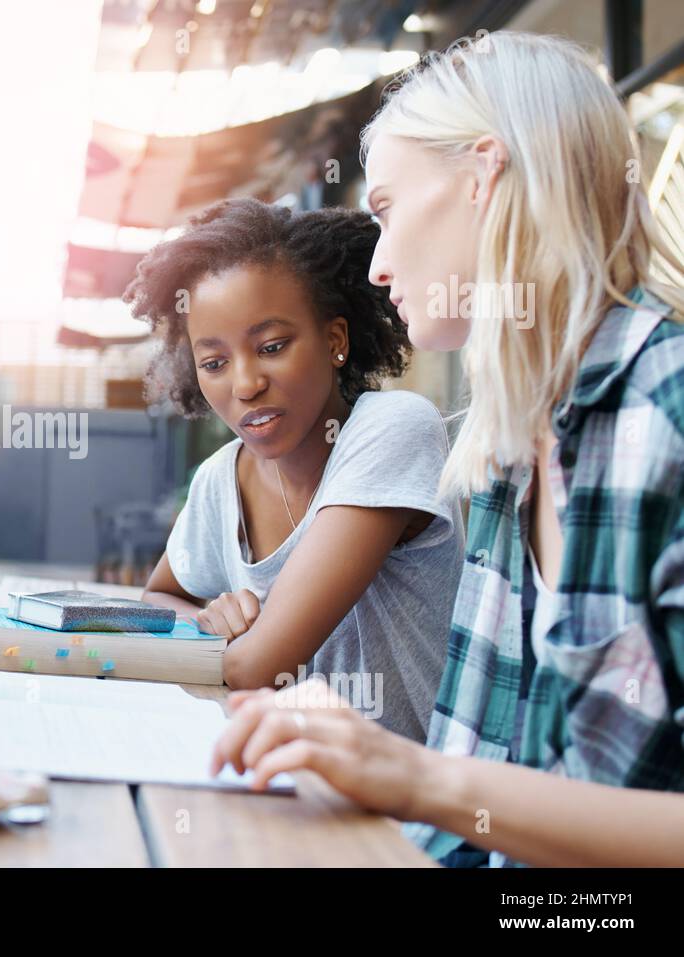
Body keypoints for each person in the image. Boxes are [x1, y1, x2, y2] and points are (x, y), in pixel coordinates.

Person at [212, 31, 684, 866]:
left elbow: (457, 788)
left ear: (483, 176)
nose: (381, 265)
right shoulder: (506, 445)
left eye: (388, 211)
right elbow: (489, 803)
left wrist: (412, 775)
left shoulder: (669, 414)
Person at [132, 199, 463, 741]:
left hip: (405, 809)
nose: (244, 384)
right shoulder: (221, 479)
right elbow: (160, 597)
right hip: (282, 783)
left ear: (335, 341)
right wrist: (210, 618)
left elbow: (257, 667)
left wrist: (235, 647)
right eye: (214, 362)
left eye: (272, 346)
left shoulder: (394, 430)